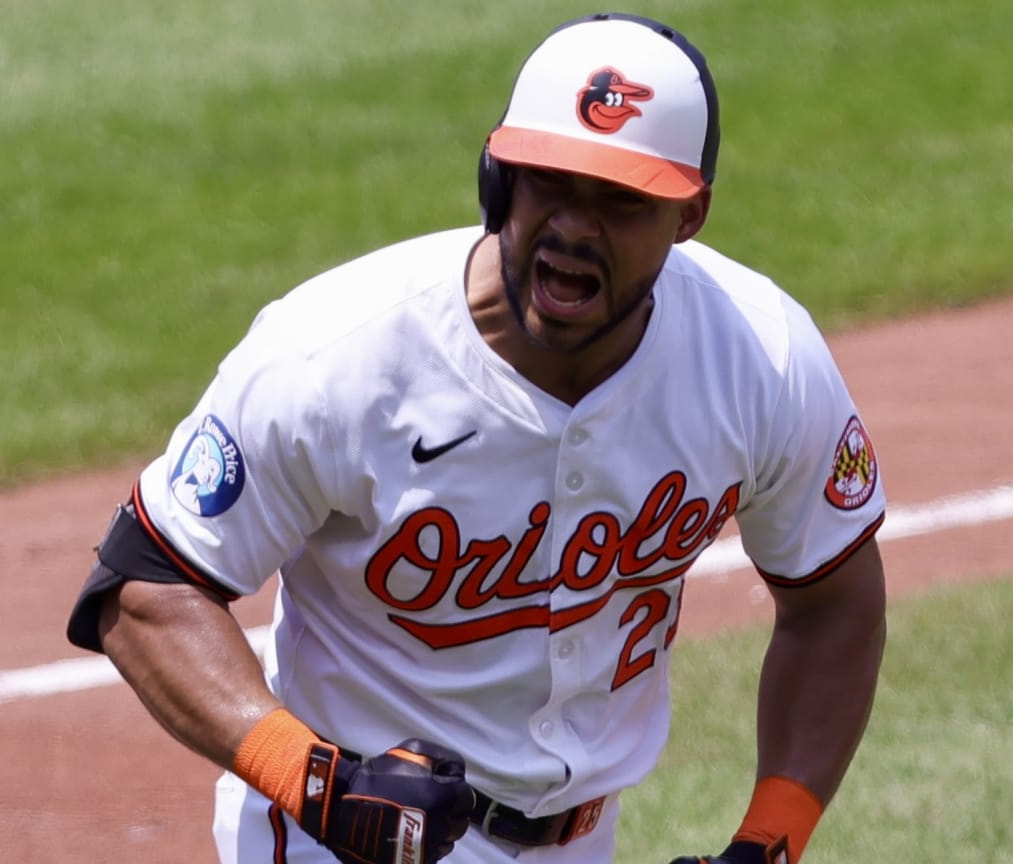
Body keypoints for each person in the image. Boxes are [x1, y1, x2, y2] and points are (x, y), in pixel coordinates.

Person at [66, 11, 887, 864]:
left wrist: (769, 843)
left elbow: (834, 602)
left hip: (581, 839)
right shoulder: (337, 356)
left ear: (689, 218)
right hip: (341, 843)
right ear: (498, 179)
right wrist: (321, 784)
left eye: (621, 201)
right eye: (549, 183)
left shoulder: (760, 357)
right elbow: (146, 586)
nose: (574, 226)